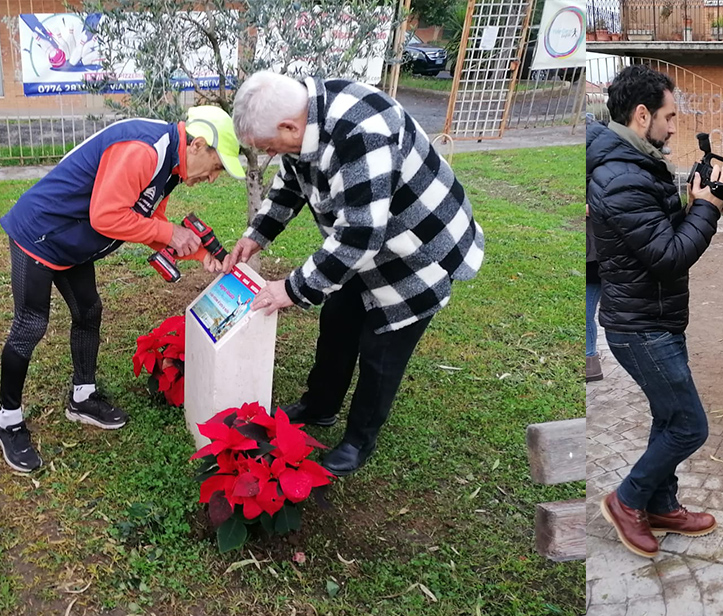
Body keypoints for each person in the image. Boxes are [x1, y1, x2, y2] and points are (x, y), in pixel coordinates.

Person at [226, 71, 484, 477]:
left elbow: (360, 238)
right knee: (337, 322)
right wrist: (257, 234)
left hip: (417, 250)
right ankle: (320, 406)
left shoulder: (363, 132)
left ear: (289, 126)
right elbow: (291, 183)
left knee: (381, 348)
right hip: (367, 243)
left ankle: (359, 441)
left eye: (270, 146)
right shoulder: (305, 117)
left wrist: (291, 289)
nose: (273, 154)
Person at [0, 106, 242, 473]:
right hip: (39, 234)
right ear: (197, 144)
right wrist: (169, 233)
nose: (213, 178)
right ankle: (8, 420)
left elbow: (146, 220)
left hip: (72, 243)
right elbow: (107, 215)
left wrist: (200, 253)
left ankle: (82, 398)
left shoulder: (170, 167)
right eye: (217, 165)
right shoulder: (145, 149)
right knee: (31, 325)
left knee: (89, 311)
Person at [588, 64, 723, 558]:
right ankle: (627, 501)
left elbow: (660, 233)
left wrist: (695, 198)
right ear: (642, 113)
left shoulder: (638, 163)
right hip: (641, 328)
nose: (675, 127)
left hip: (658, 320)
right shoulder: (620, 176)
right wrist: (706, 208)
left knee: (667, 418)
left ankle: (662, 505)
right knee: (690, 425)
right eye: (669, 117)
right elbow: (668, 255)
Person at [585, 102, 610, 383]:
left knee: (587, 312)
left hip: (597, 255)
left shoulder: (602, 174)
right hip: (597, 253)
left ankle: (590, 359)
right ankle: (590, 359)